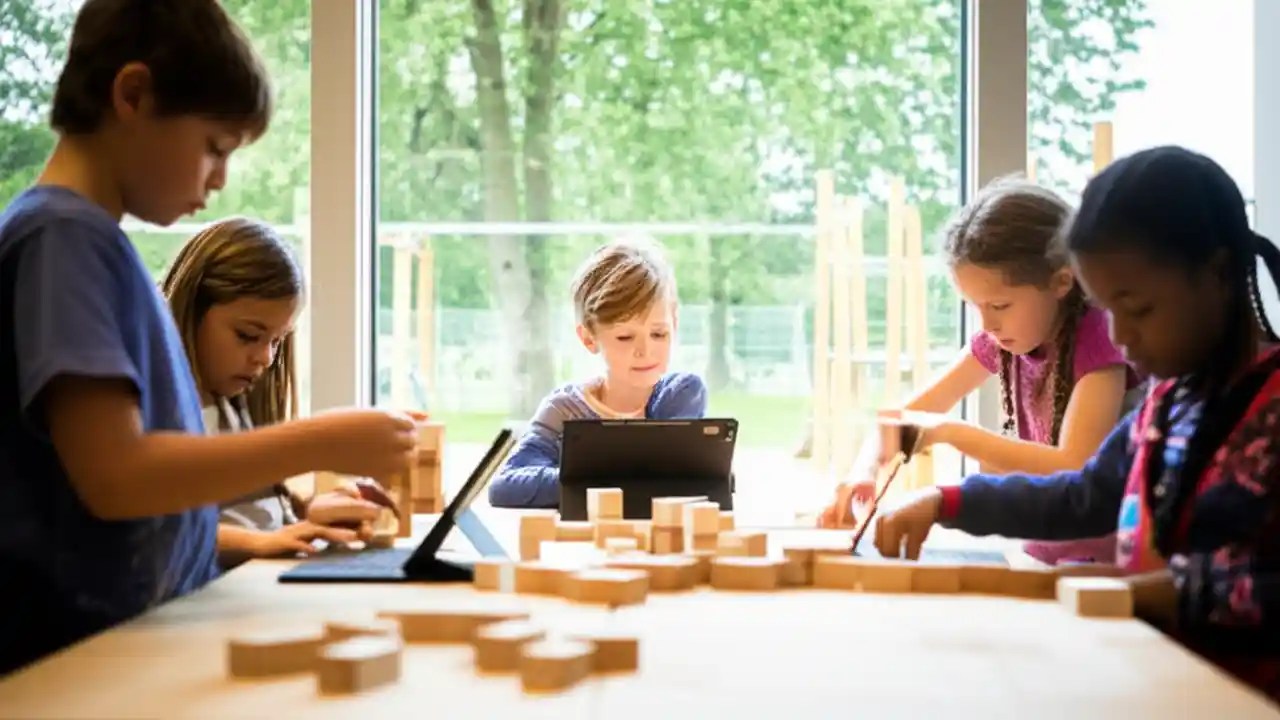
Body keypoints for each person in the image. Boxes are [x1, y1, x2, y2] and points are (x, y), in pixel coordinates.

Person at [0, 0, 415, 675]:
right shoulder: (62, 239)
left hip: (136, 638)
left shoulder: (91, 242)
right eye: (213, 148)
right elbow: (117, 475)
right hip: (79, 661)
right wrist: (328, 439)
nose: (219, 178)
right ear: (132, 95)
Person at [874, 147, 1280, 700]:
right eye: (1108, 310)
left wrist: (1156, 593)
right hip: (1159, 688)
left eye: (1138, 309)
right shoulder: (1165, 406)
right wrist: (948, 502)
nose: (1117, 337)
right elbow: (1084, 495)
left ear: (1217, 275)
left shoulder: (1271, 407)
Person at [820, 177, 1141, 565]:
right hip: (1043, 553)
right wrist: (863, 472)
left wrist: (955, 434)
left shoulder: (1099, 339)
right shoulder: (1003, 338)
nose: (987, 324)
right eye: (976, 306)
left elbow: (1075, 466)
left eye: (1000, 306)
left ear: (1061, 282)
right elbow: (904, 417)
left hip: (1107, 566)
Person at [163, 217, 394, 569]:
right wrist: (262, 542)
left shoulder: (229, 404)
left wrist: (304, 510)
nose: (266, 358)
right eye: (247, 335)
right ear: (192, 310)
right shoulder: (158, 411)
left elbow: (244, 510)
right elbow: (161, 527)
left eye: (277, 341)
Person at [489, 239, 707, 508]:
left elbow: (664, 476)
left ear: (674, 321)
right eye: (625, 337)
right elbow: (505, 486)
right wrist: (600, 483)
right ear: (589, 338)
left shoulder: (681, 395)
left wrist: (583, 481)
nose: (645, 350)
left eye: (659, 333)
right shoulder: (565, 409)